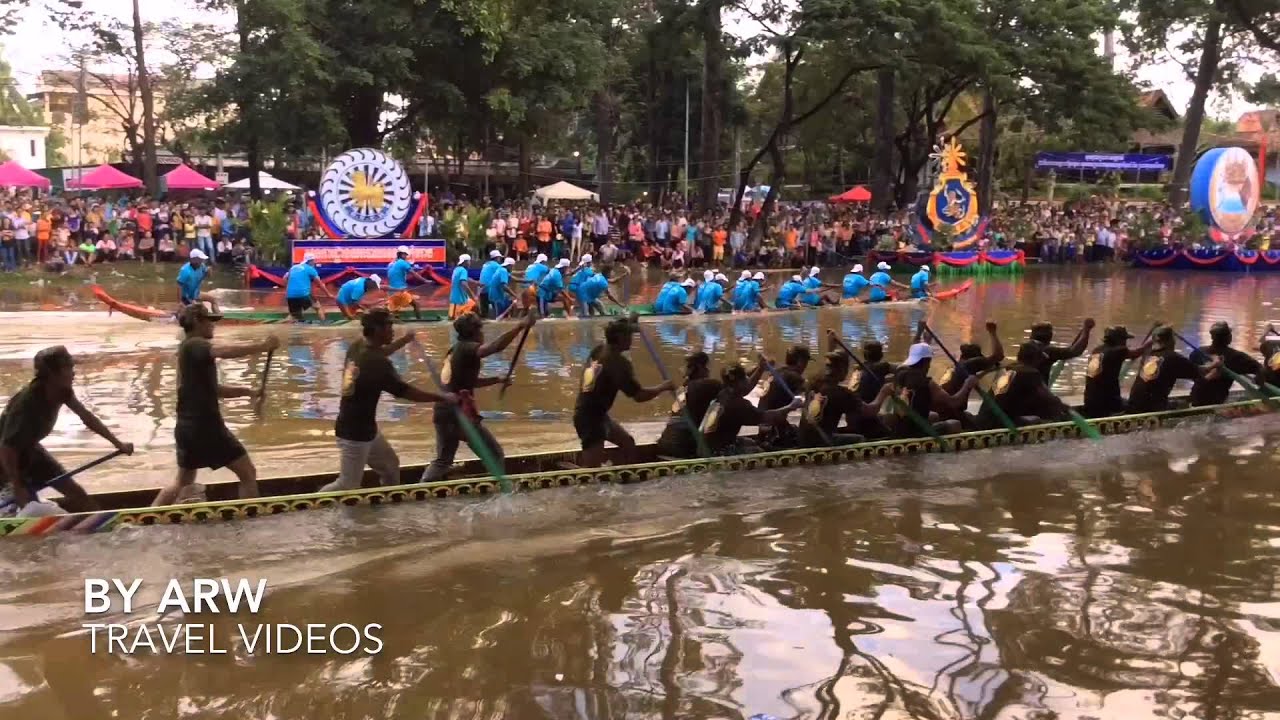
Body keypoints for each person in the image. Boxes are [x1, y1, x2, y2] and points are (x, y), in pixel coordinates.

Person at [152, 305, 279, 507]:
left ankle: (150, 515)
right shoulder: (196, 344)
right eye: (209, 320)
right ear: (197, 322)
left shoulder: (189, 350)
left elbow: (216, 390)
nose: (214, 325)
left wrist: (249, 392)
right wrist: (262, 346)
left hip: (187, 428)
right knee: (247, 472)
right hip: (206, 427)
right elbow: (224, 351)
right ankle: (252, 520)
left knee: (183, 481)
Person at [320, 310, 456, 493]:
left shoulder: (358, 346)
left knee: (390, 466)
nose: (392, 330)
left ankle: (388, 506)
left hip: (364, 428)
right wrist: (443, 398)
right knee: (347, 484)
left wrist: (405, 340)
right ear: (376, 329)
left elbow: (382, 352)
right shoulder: (376, 362)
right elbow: (405, 392)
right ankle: (310, 508)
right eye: (389, 326)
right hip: (354, 433)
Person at [0, 346, 134, 516]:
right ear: (51, 374)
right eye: (68, 368)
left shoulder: (62, 391)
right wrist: (17, 485)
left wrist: (118, 444)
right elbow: (7, 448)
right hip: (6, 460)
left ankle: (101, 525)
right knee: (21, 507)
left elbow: (87, 417)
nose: (73, 373)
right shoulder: (27, 404)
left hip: (31, 450)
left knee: (77, 494)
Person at [422, 312, 537, 482]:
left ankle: (424, 485)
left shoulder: (456, 349)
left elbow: (467, 382)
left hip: (443, 410)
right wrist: (520, 326)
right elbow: (495, 347)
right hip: (457, 413)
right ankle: (500, 493)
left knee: (443, 460)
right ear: (475, 332)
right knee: (495, 453)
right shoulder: (468, 347)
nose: (483, 334)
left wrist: (496, 380)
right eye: (481, 330)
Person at [573, 317, 674, 467]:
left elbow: (617, 327)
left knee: (628, 443)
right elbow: (639, 396)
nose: (631, 339)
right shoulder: (618, 363)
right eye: (629, 336)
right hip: (590, 419)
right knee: (591, 470)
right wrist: (663, 387)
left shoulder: (599, 349)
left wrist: (629, 321)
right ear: (620, 338)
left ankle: (626, 479)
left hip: (595, 414)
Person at [701, 363, 803, 455]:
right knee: (759, 451)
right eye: (745, 377)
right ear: (739, 382)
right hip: (718, 452)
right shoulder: (739, 404)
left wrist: (761, 368)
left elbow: (746, 387)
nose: (748, 379)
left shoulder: (723, 393)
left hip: (707, 446)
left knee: (751, 442)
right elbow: (768, 418)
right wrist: (791, 407)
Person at [799, 350, 893, 448]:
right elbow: (870, 411)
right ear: (842, 369)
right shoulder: (842, 393)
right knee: (860, 439)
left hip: (803, 438)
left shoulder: (812, 383)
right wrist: (884, 392)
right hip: (822, 442)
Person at [884, 343, 977, 437]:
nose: (929, 366)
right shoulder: (928, 382)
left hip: (899, 427)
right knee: (955, 424)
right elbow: (954, 402)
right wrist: (967, 385)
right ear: (926, 362)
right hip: (916, 431)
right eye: (929, 362)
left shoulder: (898, 374)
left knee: (934, 416)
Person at [977, 343, 1069, 428]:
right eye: (1040, 359)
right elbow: (1048, 398)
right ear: (1035, 359)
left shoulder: (1007, 368)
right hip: (998, 422)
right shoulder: (1029, 372)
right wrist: (1064, 408)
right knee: (1042, 417)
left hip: (984, 417)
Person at [1127, 326, 1217, 414]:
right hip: (1153, 408)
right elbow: (1200, 373)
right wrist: (1215, 364)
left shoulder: (1147, 354)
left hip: (1134, 403)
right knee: (1184, 404)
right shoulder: (1173, 357)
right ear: (1171, 340)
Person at [655, 352, 722, 458]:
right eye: (707, 367)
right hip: (683, 447)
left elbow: (735, 383)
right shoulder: (708, 385)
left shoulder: (683, 388)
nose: (709, 371)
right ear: (700, 368)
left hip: (664, 443)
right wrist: (759, 368)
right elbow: (738, 388)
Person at [1082, 325, 1150, 417]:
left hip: (1089, 400)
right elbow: (1135, 354)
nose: (1125, 342)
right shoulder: (1119, 351)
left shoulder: (1096, 351)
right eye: (1124, 339)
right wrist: (1150, 343)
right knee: (1138, 406)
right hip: (1107, 403)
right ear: (1118, 340)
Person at [1188, 321, 1262, 406]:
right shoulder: (1236, 357)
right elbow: (1259, 368)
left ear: (1212, 337)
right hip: (1217, 401)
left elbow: (1191, 374)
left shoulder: (1197, 352)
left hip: (1195, 397)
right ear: (1228, 338)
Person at [1028, 319, 1094, 383]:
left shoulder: (1028, 347)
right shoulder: (1048, 351)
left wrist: (1083, 331)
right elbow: (1074, 351)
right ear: (1049, 335)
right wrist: (1086, 330)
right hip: (1036, 390)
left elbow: (1071, 348)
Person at [283, 253, 334, 322]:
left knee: (293, 315)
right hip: (303, 293)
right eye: (313, 261)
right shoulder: (310, 269)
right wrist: (328, 294)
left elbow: (284, 278)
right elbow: (320, 284)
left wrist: (290, 289)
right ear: (310, 261)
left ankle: (281, 325)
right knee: (318, 308)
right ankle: (324, 324)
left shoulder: (294, 267)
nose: (314, 262)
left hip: (290, 295)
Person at [386, 245, 431, 320]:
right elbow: (414, 273)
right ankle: (419, 321)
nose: (406, 256)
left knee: (395, 311)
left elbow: (392, 276)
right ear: (402, 254)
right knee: (416, 304)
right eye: (405, 254)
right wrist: (425, 280)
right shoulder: (403, 263)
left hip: (391, 292)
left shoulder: (391, 264)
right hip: (399, 291)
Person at [176, 248, 219, 313]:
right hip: (187, 297)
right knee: (203, 310)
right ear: (194, 260)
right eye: (200, 259)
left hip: (196, 294)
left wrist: (209, 272)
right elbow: (179, 286)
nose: (202, 261)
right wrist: (180, 302)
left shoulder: (201, 266)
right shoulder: (185, 271)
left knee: (214, 300)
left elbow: (208, 276)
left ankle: (217, 316)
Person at [449, 254, 477, 319]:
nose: (470, 263)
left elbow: (466, 278)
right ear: (465, 262)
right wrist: (473, 295)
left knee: (453, 319)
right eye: (469, 261)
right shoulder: (463, 270)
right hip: (460, 301)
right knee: (475, 307)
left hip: (453, 300)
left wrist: (477, 283)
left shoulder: (456, 269)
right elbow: (464, 283)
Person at [476, 249, 503, 317]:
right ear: (497, 258)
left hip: (481, 290)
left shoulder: (485, 265)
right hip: (490, 290)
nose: (500, 259)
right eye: (499, 258)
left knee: (484, 313)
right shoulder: (496, 265)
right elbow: (504, 274)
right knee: (497, 312)